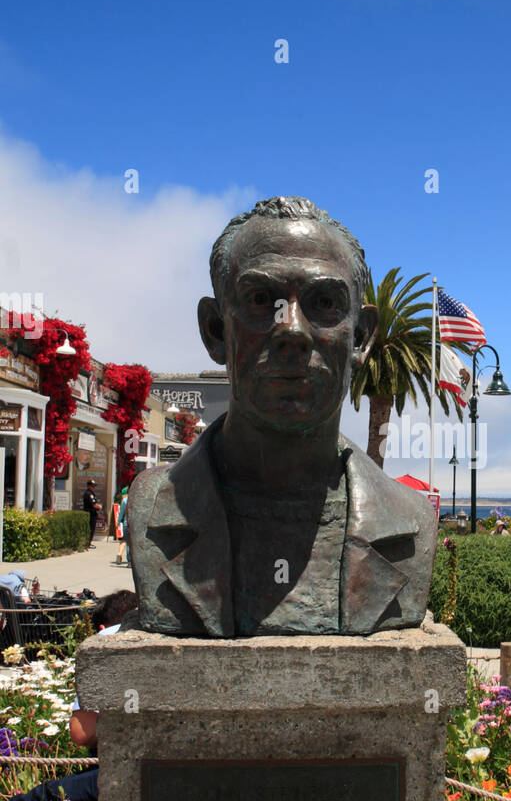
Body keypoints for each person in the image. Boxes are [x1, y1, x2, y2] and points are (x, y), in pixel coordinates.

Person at [128, 196, 436, 637]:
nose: (291, 328)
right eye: (260, 298)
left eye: (324, 302)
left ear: (361, 338)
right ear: (215, 330)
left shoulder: (411, 520)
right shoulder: (152, 508)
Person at [0, 590, 136, 801]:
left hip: (126, 771)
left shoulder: (107, 641)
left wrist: (127, 716)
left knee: (43, 799)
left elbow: (81, 732)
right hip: (187, 769)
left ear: (102, 626)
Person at [82, 479, 102, 548]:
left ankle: (88, 543)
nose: (94, 488)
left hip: (93, 514)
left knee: (92, 529)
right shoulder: (89, 494)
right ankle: (88, 543)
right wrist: (99, 506)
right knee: (91, 529)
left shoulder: (91, 493)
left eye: (94, 486)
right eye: (92, 486)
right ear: (89, 486)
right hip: (90, 514)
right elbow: (94, 505)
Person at [117, 485, 130, 566]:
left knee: (127, 542)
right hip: (133, 524)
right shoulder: (136, 499)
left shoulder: (125, 500)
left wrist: (118, 523)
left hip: (126, 524)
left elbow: (121, 513)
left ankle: (128, 561)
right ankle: (131, 561)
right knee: (132, 544)